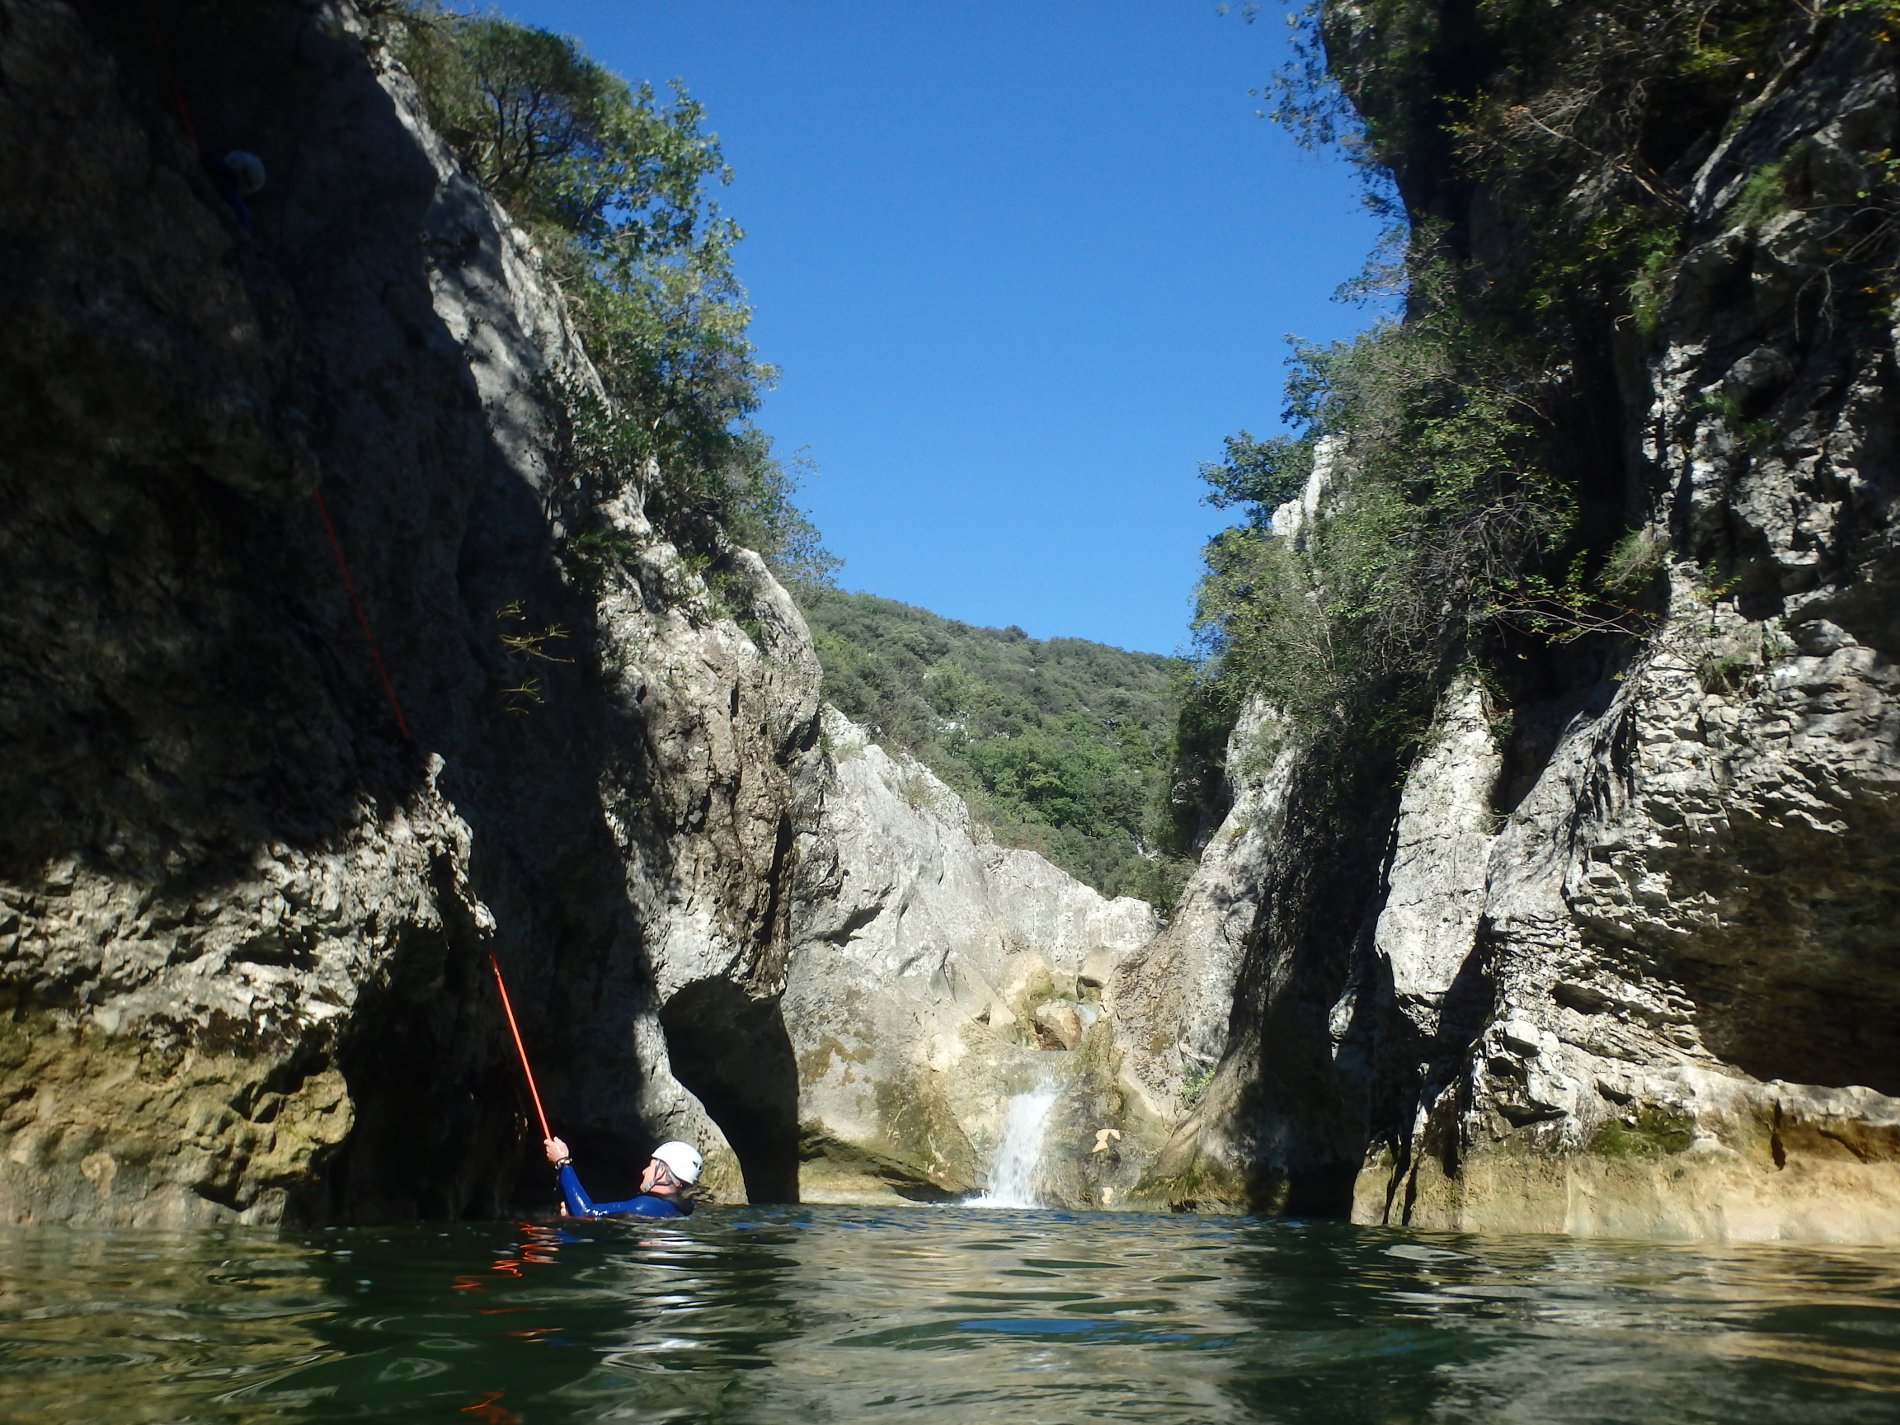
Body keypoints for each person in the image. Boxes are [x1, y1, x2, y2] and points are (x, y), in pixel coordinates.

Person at [542, 1135, 701, 1218]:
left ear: (660, 1173)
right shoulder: (680, 1208)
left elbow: (586, 1213)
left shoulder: (645, 1206)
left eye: (650, 1166)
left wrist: (563, 1162)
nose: (644, 1171)